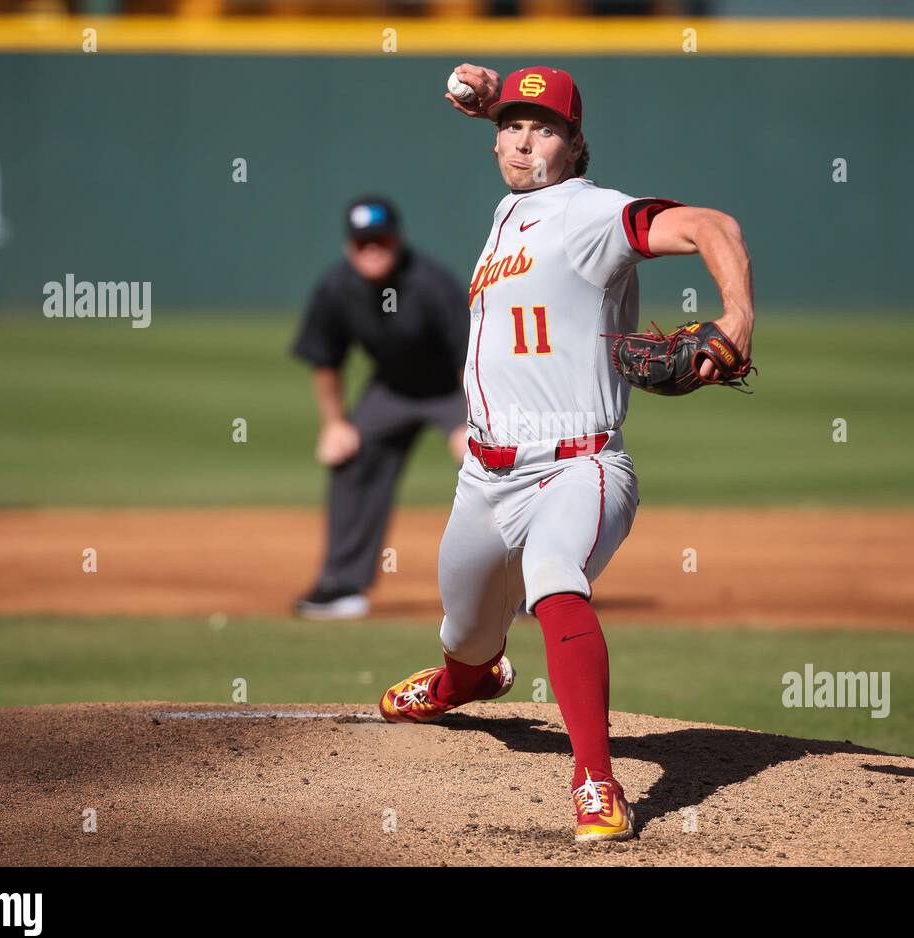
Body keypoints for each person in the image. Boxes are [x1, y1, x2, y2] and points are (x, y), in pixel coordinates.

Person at [376, 65, 755, 843]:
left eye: (544, 127)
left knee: (554, 579)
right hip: (484, 475)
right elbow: (520, 156)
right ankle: (465, 681)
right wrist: (500, 111)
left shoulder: (593, 213)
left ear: (577, 145)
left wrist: (737, 314)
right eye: (512, 127)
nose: (524, 139)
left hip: (577, 467)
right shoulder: (512, 208)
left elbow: (713, 225)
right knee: (466, 635)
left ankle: (596, 782)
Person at [291, 196, 469, 620]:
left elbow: (472, 358)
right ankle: (341, 586)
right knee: (349, 454)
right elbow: (325, 361)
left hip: (453, 387)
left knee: (491, 462)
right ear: (348, 247)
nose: (372, 249)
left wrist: (475, 423)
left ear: (398, 240)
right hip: (392, 389)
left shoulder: (431, 283)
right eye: (362, 242)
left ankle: (517, 590)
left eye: (381, 241)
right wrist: (335, 424)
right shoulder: (337, 287)